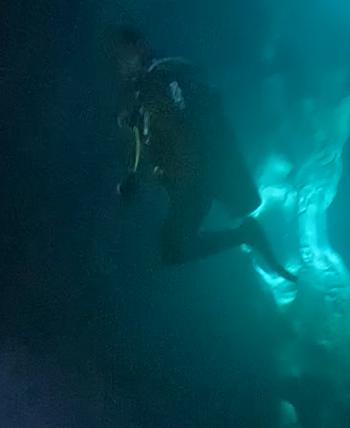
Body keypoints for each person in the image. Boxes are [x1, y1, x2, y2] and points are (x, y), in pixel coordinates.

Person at [111, 25, 297, 280]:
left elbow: (176, 130)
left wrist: (187, 173)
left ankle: (246, 234)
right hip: (192, 178)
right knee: (173, 247)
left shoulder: (159, 79)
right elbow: (162, 137)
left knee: (172, 248)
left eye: (124, 57)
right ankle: (246, 234)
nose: (121, 67)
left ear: (140, 48)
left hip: (195, 179)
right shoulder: (152, 88)